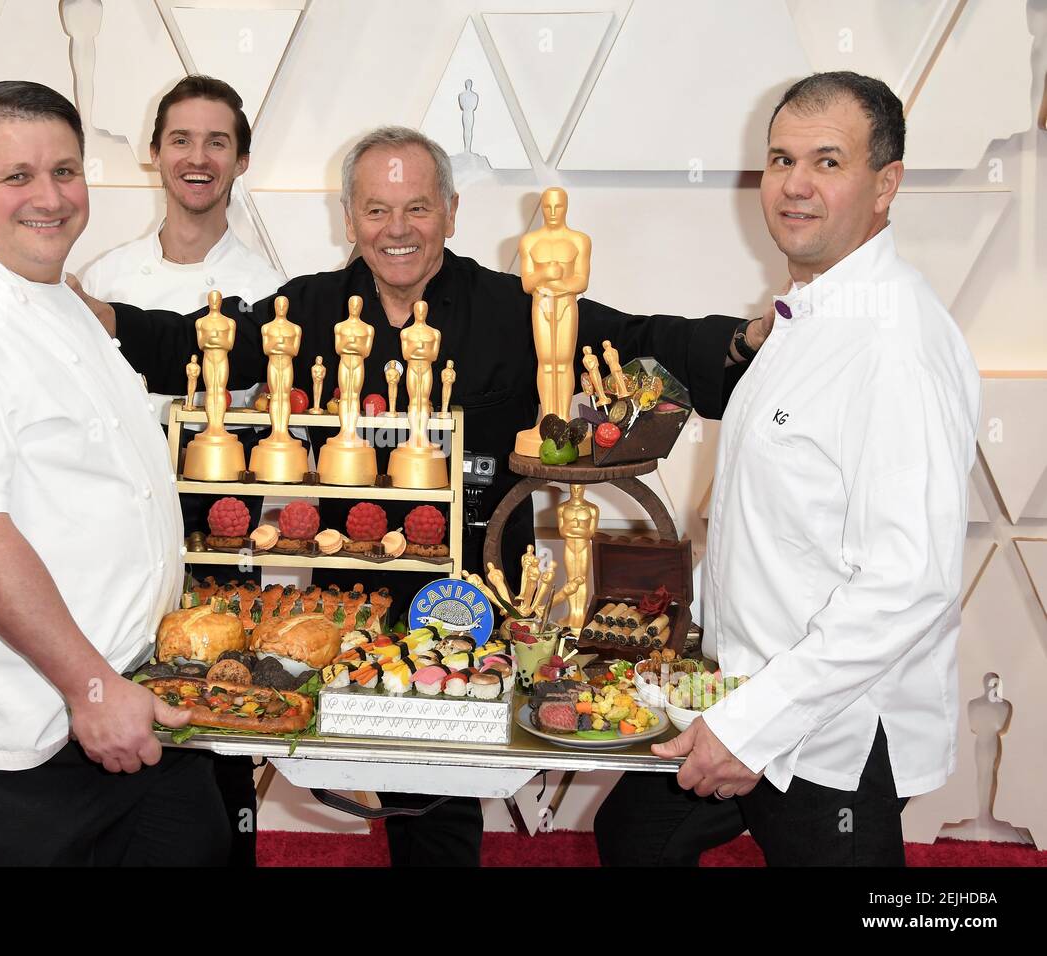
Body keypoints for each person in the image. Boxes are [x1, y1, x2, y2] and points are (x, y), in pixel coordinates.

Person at [73, 126, 772, 866]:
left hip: (486, 590)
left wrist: (740, 344)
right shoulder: (310, 309)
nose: (396, 230)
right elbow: (205, 345)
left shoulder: (513, 306)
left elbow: (632, 339)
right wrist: (107, 318)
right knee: (353, 760)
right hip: (355, 592)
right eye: (376, 210)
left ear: (452, 210)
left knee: (443, 790)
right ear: (349, 219)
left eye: (417, 208)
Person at [595, 71, 980, 867]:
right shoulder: (801, 316)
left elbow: (909, 581)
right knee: (634, 834)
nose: (795, 186)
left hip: (832, 726)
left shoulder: (896, 347)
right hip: (736, 683)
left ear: (886, 186)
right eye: (780, 159)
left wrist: (752, 726)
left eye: (829, 162)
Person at [0, 80, 228, 866]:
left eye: (66, 170)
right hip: (29, 724)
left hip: (134, 687)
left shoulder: (59, 295)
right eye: (16, 177)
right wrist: (90, 688)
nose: (50, 197)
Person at [80, 78, 283, 866]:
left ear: (241, 161)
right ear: (155, 152)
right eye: (182, 141)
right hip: (116, 532)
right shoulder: (103, 279)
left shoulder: (269, 288)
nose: (197, 158)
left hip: (219, 526)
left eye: (217, 143)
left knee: (222, 714)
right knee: (124, 704)